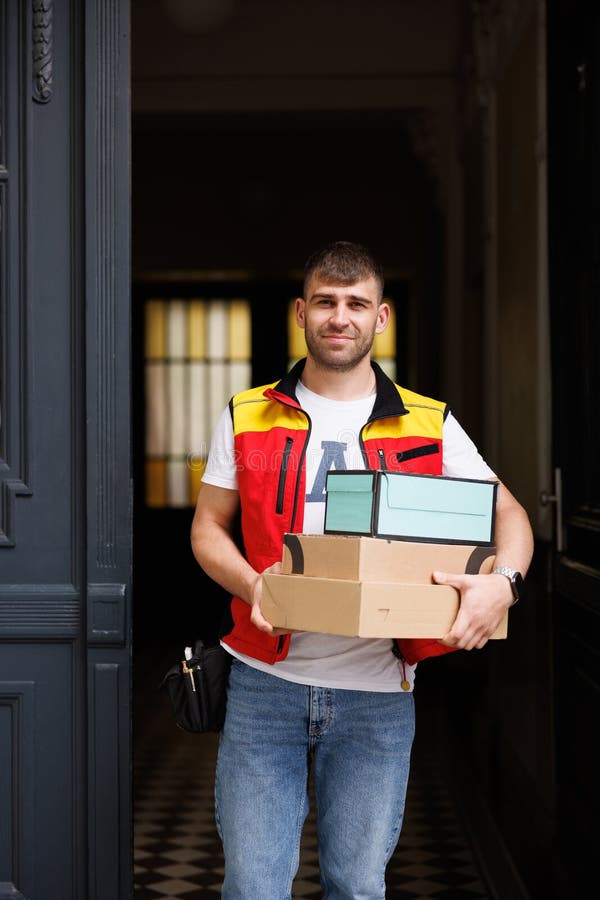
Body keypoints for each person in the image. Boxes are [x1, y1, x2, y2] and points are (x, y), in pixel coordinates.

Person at [191, 241, 534, 900]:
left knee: (356, 887)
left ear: (381, 318)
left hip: (379, 691)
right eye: (325, 301)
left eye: (356, 304)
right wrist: (251, 584)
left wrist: (504, 584)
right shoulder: (247, 411)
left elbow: (510, 516)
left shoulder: (429, 421)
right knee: (253, 887)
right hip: (265, 684)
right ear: (301, 312)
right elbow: (208, 527)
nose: (338, 317)